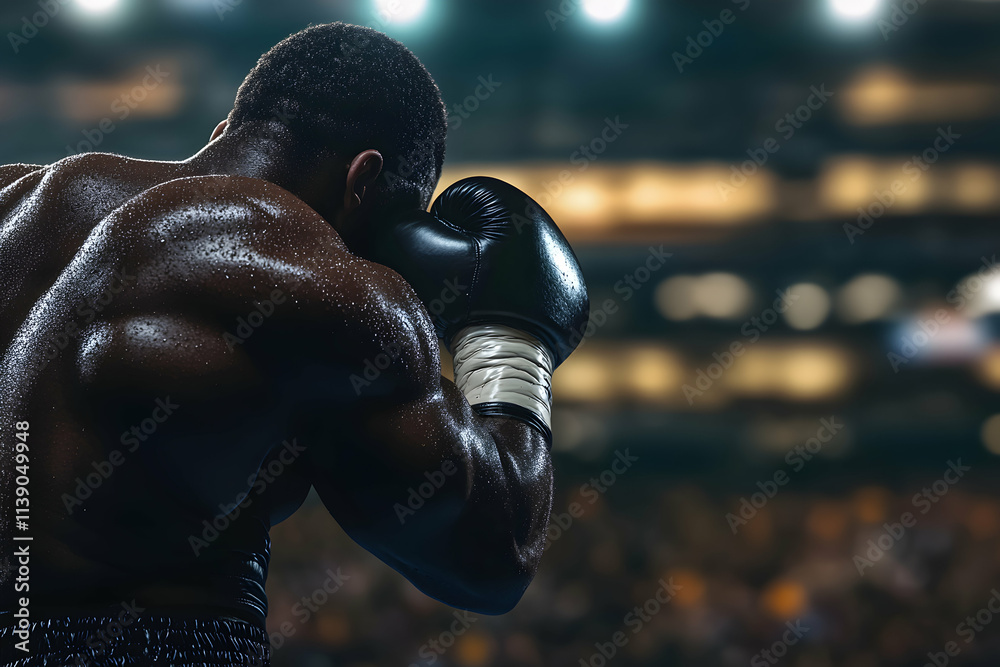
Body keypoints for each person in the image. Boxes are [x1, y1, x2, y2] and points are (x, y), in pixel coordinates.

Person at [0, 22, 588, 666]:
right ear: (363, 180)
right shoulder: (308, 277)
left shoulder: (16, 201)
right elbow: (495, 554)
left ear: (227, 130)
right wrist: (513, 335)